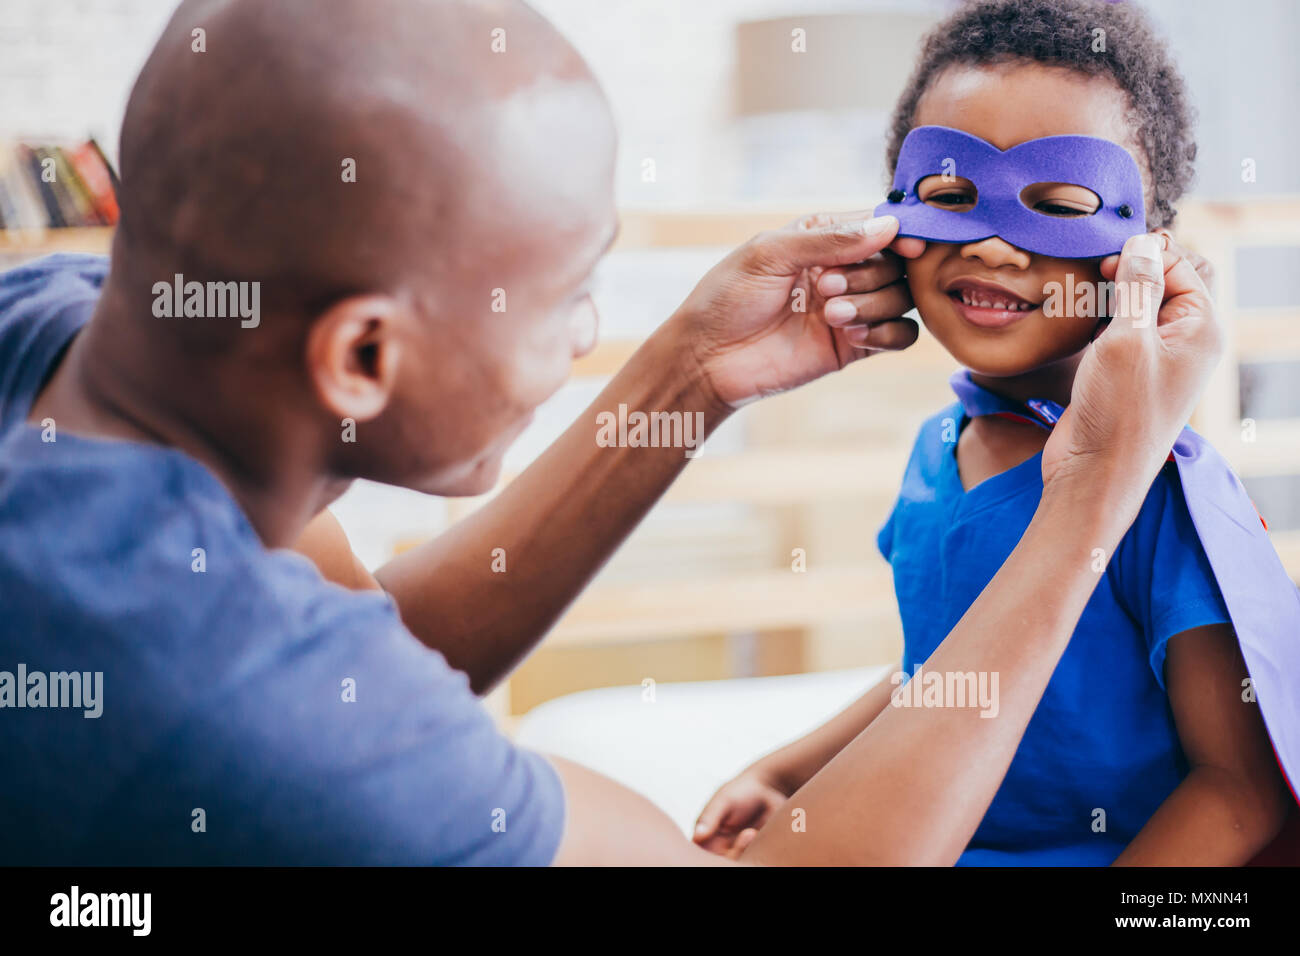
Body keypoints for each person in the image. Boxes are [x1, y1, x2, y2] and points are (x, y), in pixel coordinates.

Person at [0, 0, 1222, 865]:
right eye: (563, 300)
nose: (592, 330)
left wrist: (690, 374)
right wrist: (1085, 498)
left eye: (1057, 205)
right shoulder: (227, 713)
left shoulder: (51, 331)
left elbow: (369, 651)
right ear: (364, 357)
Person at [694, 0, 1296, 866]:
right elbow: (936, 677)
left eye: (1058, 206)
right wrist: (787, 774)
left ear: (1144, 254)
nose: (996, 247)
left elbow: (1239, 790)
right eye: (951, 194)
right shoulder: (936, 450)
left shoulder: (1160, 496)